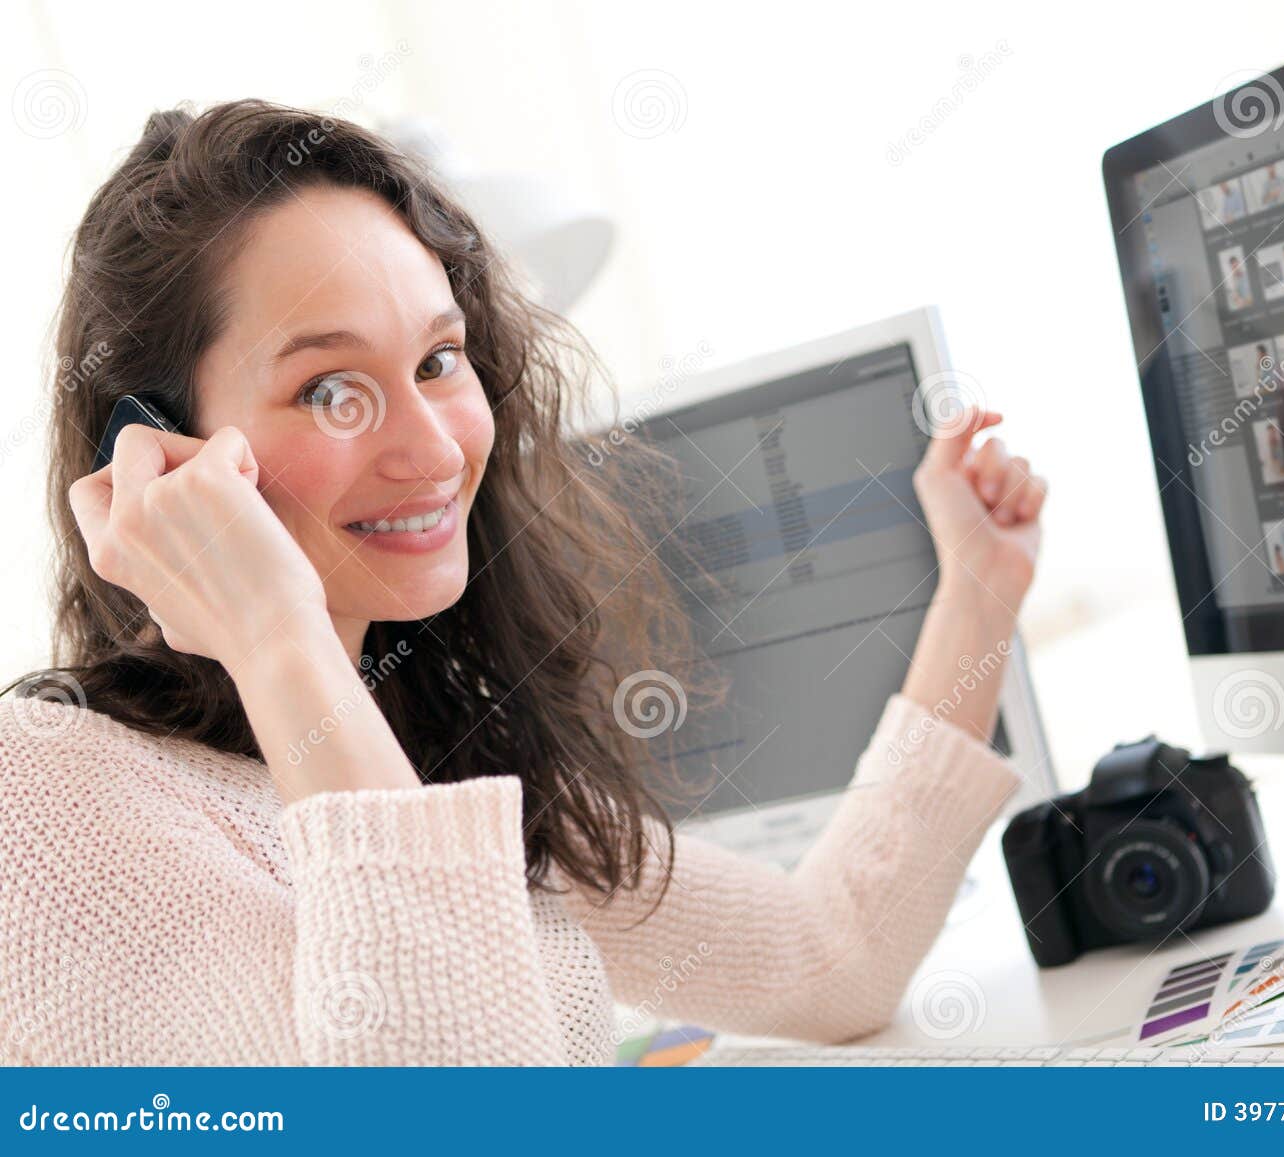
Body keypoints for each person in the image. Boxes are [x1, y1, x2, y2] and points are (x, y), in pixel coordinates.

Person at [0, 102, 1051, 1067]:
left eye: (436, 360)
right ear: (153, 456)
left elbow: (826, 961)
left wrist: (979, 590)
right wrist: (277, 637)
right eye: (329, 388)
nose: (431, 448)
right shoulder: (43, 795)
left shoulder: (421, 731)